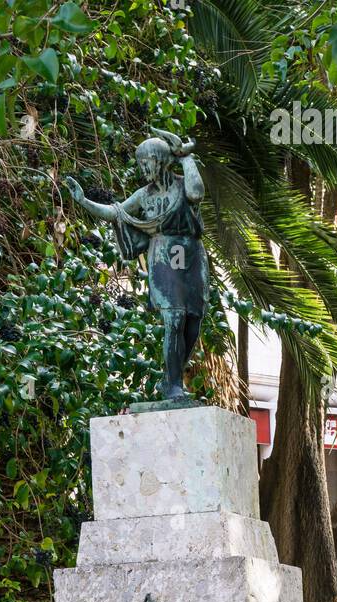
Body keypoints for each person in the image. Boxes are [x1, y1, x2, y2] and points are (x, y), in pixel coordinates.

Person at [65, 129, 209, 406]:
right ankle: (174, 387)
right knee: (174, 318)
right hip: (163, 255)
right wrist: (83, 201)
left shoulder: (182, 185)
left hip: (189, 252)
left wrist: (186, 156)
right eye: (140, 164)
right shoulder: (144, 195)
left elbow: (196, 192)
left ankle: (171, 375)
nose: (143, 169)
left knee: (193, 323)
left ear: (162, 160)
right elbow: (116, 212)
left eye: (147, 162)